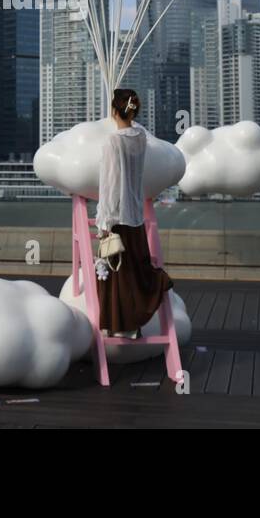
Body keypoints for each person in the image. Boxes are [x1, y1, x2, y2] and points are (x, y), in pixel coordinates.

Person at [95, 88, 174, 338]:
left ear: (114, 110)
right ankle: (130, 326)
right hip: (136, 216)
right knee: (133, 273)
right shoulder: (140, 137)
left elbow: (108, 184)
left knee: (117, 274)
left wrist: (103, 222)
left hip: (117, 217)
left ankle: (120, 326)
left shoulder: (112, 141)